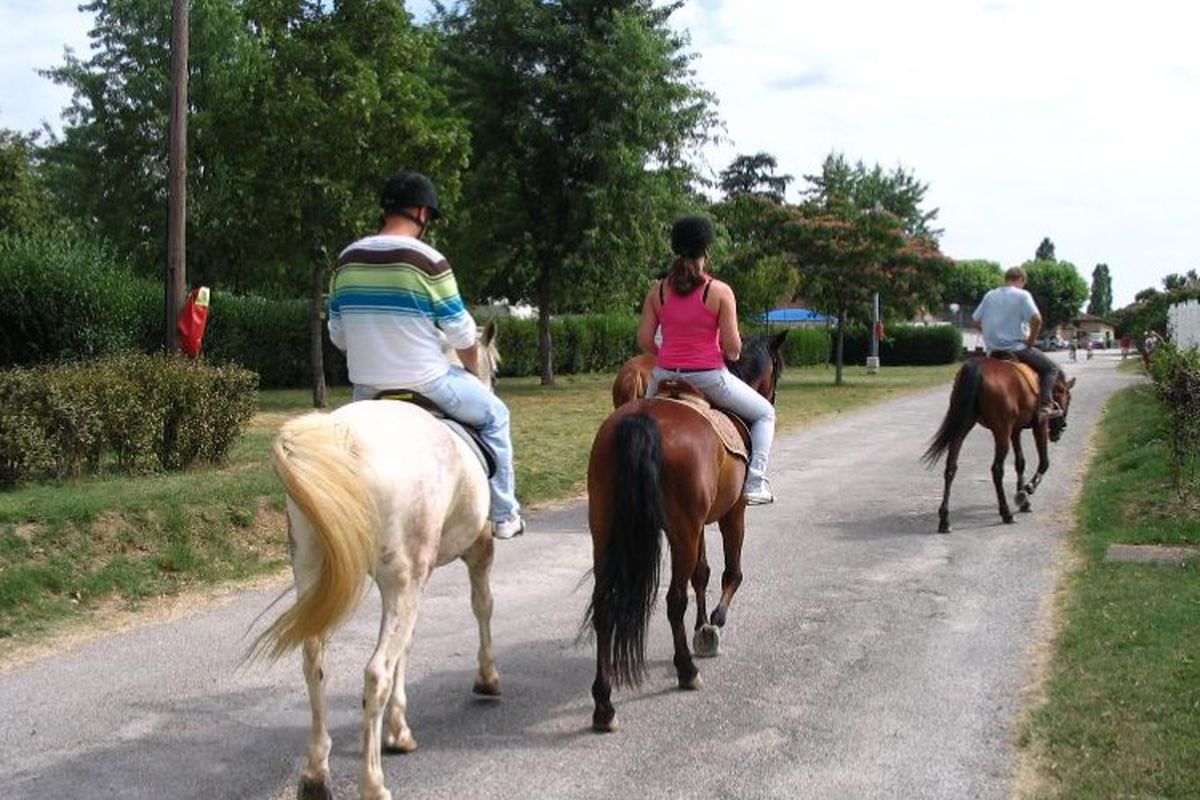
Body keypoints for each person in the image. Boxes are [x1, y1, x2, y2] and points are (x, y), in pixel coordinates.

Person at [327, 170, 524, 539]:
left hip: (367, 390)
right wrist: (471, 370)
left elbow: (338, 335)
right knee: (497, 415)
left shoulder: (346, 260)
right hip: (429, 382)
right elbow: (463, 334)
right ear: (420, 212)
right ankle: (504, 513)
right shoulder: (429, 261)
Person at [638, 215, 777, 505]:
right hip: (709, 378)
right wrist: (733, 353)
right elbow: (733, 347)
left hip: (663, 376)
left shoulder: (657, 291)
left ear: (676, 249)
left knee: (635, 425)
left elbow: (644, 340)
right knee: (765, 414)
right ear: (707, 251)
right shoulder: (719, 291)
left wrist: (666, 357)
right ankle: (755, 483)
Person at [971, 266, 1062, 422]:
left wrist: (989, 333)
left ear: (1006, 279)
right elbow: (1037, 319)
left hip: (992, 351)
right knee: (1051, 369)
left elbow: (975, 321)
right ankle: (1045, 406)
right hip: (1016, 349)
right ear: (1021, 280)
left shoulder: (990, 295)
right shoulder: (1022, 295)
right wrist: (1030, 341)